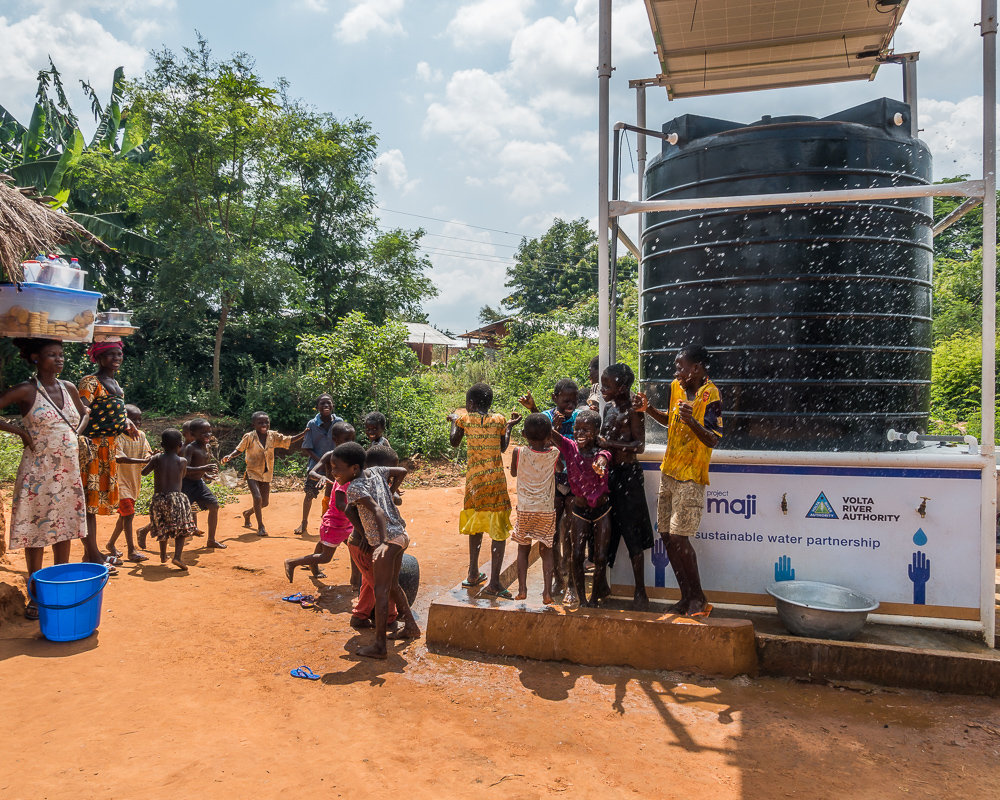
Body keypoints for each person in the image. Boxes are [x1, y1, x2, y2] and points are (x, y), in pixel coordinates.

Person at [0, 339, 89, 619]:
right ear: (36, 358)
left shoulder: (69, 388)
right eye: (52, 355)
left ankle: (59, 588)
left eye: (61, 355)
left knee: (65, 529)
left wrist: (77, 432)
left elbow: (84, 412)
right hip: (38, 472)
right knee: (36, 532)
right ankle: (36, 595)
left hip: (68, 473)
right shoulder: (26, 390)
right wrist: (22, 433)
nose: (59, 360)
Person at [635, 344, 722, 616]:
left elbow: (714, 438)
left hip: (691, 476)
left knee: (679, 537)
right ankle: (686, 597)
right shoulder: (676, 387)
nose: (677, 371)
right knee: (667, 535)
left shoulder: (711, 394)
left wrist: (692, 422)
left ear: (696, 368)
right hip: (669, 471)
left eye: (681, 366)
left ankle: (699, 598)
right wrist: (649, 410)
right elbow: (670, 421)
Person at [329, 441, 419, 659]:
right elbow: (402, 471)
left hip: (387, 541)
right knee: (392, 585)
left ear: (355, 469)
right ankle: (411, 627)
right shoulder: (376, 471)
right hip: (402, 535)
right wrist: (391, 490)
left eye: (337, 469)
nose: (333, 474)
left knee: (381, 590)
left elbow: (377, 511)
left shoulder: (355, 488)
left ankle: (380, 646)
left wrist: (379, 542)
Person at [448, 383, 521, 598]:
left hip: (474, 484)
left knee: (475, 525)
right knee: (498, 530)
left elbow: (454, 441)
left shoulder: (464, 419)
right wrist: (509, 427)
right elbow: (502, 447)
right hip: (496, 482)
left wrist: (453, 422)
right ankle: (495, 582)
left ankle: (472, 573)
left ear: (470, 403)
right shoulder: (498, 419)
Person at [79, 340, 138, 571]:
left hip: (108, 449)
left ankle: (90, 554)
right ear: (99, 358)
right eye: (110, 354)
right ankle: (93, 555)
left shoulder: (115, 383)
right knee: (87, 504)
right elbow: (82, 411)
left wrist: (126, 422)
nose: (116, 358)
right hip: (91, 448)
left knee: (92, 505)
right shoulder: (90, 382)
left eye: (119, 354)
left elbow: (113, 412)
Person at [600, 363, 654, 611]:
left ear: (621, 387)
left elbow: (639, 445)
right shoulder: (608, 408)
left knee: (632, 533)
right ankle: (601, 584)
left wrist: (609, 443)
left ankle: (640, 591)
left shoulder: (633, 409)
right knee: (605, 530)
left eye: (607, 385)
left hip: (629, 477)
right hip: (610, 475)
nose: (602, 389)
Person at [518, 380, 579, 596]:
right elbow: (539, 440)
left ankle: (571, 579)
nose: (570, 404)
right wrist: (555, 429)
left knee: (570, 534)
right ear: (555, 398)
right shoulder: (546, 417)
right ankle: (557, 579)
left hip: (573, 484)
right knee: (550, 536)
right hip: (550, 485)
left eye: (574, 399)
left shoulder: (579, 418)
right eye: (565, 400)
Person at [549, 409, 611, 608]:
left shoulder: (601, 453)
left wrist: (600, 464)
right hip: (579, 510)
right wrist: (554, 427)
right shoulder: (570, 448)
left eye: (586, 429)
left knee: (601, 556)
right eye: (577, 429)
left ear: (596, 431)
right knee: (577, 555)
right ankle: (582, 598)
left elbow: (604, 458)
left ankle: (595, 597)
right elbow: (551, 435)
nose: (580, 433)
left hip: (602, 511)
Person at [284, 421, 357, 582]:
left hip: (349, 504)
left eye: (352, 439)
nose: (350, 443)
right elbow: (312, 472)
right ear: (335, 440)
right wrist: (323, 476)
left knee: (341, 541)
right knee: (330, 537)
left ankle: (354, 578)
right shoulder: (330, 455)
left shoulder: (355, 456)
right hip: (332, 502)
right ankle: (312, 563)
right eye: (346, 440)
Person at [141, 429, 216, 571]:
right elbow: (181, 477)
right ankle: (177, 557)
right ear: (180, 445)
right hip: (177, 498)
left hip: (158, 498)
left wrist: (152, 458)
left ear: (162, 444)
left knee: (162, 526)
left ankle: (163, 556)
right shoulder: (182, 461)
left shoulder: (156, 459)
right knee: (181, 529)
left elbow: (144, 472)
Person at [222, 412, 305, 537]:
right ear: (253, 424)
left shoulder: (273, 436)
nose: (264, 425)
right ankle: (261, 526)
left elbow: (288, 440)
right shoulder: (249, 437)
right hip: (252, 472)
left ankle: (247, 513)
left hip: (266, 473)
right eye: (260, 423)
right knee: (257, 498)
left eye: (266, 422)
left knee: (264, 503)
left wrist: (304, 433)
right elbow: (239, 449)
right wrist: (230, 456)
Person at [346, 444, 399, 630]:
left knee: (371, 582)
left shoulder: (376, 481)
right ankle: (390, 619)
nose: (390, 479)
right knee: (382, 584)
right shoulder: (360, 486)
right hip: (362, 544)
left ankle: (360, 616)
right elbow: (348, 510)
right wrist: (364, 535)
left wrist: (392, 493)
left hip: (369, 543)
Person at [510, 413, 560, 604]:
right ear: (550, 436)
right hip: (546, 510)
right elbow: (560, 468)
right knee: (546, 550)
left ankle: (522, 590)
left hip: (525, 509)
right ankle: (547, 593)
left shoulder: (518, 452)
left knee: (523, 549)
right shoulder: (554, 453)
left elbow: (514, 472)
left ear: (523, 434)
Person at [107, 404, 153, 563]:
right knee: (129, 514)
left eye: (139, 419)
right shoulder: (116, 438)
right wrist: (144, 460)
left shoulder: (141, 436)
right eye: (134, 420)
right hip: (120, 483)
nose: (137, 423)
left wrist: (150, 457)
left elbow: (147, 452)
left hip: (134, 482)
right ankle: (131, 551)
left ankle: (110, 544)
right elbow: (119, 458)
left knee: (124, 516)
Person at [295, 394, 343, 536]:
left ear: (333, 405)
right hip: (317, 466)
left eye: (328, 403)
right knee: (310, 493)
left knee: (334, 495)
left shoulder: (338, 422)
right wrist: (322, 461)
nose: (326, 406)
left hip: (335, 466)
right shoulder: (312, 424)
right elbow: (306, 447)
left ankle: (332, 523)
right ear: (317, 407)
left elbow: (344, 442)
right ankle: (304, 522)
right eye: (322, 404)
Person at [182, 418, 226, 549]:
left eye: (209, 431)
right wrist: (203, 469)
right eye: (203, 432)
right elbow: (184, 468)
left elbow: (201, 465)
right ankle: (146, 529)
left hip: (198, 483)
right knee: (176, 513)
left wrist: (206, 474)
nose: (207, 435)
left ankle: (211, 540)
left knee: (214, 505)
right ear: (193, 434)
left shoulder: (207, 446)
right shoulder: (190, 448)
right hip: (186, 485)